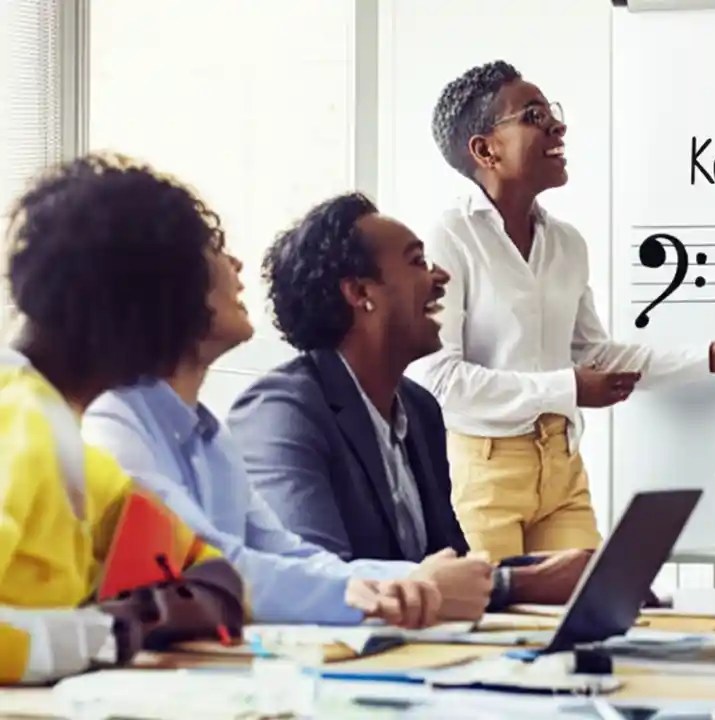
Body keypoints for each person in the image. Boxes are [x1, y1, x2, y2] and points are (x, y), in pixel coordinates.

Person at [418, 60, 715, 560]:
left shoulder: (567, 243)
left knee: (590, 615)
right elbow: (439, 379)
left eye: (552, 112)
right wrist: (567, 387)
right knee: (494, 628)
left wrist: (711, 356)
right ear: (485, 149)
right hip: (482, 472)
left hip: (562, 467)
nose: (557, 125)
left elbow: (594, 354)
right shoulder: (448, 238)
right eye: (533, 115)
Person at [81, 217, 469, 626]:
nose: (236, 266)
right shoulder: (112, 424)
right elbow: (211, 568)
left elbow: (286, 554)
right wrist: (413, 587)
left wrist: (420, 582)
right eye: (215, 251)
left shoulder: (207, 434)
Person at [227, 192, 590, 608]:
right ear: (361, 292)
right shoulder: (282, 412)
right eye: (418, 261)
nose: (441, 278)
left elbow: (448, 560)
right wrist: (518, 584)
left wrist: (561, 571)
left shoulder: (419, 409)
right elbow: (319, 581)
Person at [1, 154, 246, 683]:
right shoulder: (17, 425)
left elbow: (212, 575)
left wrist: (136, 619)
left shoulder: (68, 443)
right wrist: (104, 634)